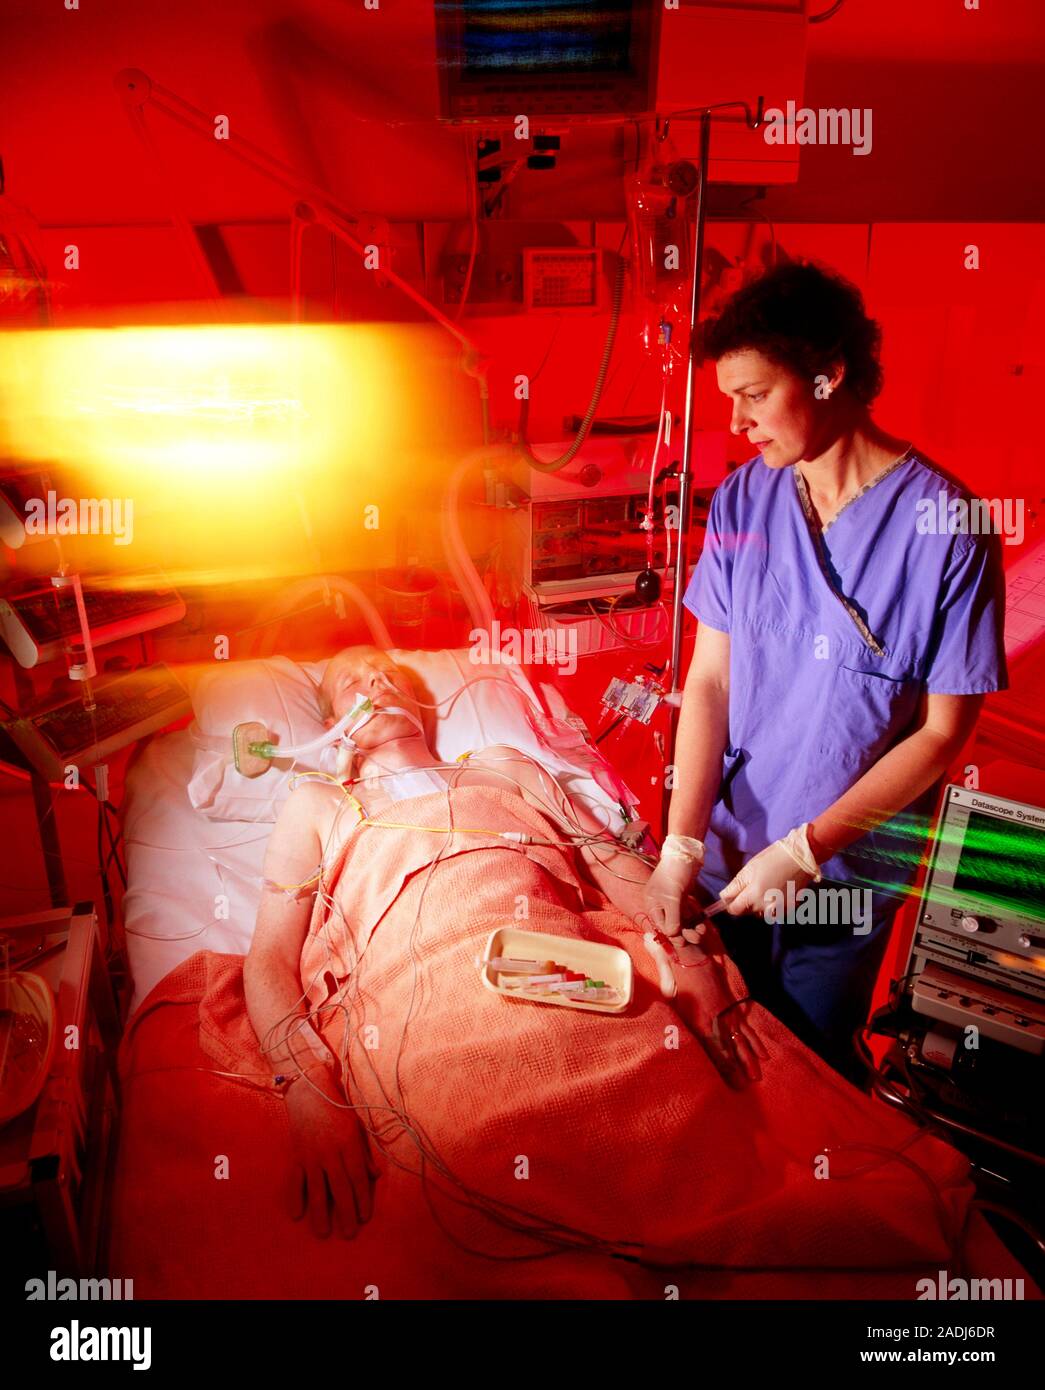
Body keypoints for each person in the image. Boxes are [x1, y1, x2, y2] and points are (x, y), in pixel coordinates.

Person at [242, 646, 763, 1240]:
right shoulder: (320, 804)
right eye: (351, 683)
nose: (377, 682)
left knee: (678, 1139)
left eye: (387, 674)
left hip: (563, 970)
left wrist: (690, 956)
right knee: (478, 1168)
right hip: (423, 1007)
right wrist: (305, 1088)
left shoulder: (500, 768)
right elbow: (269, 961)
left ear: (419, 705)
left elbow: (612, 866)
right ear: (333, 723)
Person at [645, 260, 1007, 1085]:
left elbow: (942, 734)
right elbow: (708, 682)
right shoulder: (745, 499)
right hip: (726, 843)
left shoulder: (948, 528)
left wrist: (806, 851)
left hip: (841, 878)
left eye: (754, 394)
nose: (735, 420)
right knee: (704, 1057)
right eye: (730, 396)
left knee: (806, 1077)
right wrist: (679, 840)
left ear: (827, 373)